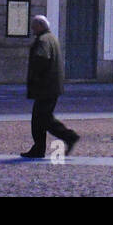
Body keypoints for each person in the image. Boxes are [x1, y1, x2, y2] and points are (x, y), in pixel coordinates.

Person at [21, 15, 79, 159]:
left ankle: (69, 136)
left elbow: (42, 58)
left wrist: (36, 76)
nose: (32, 29)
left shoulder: (43, 40)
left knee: (44, 119)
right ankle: (38, 148)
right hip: (50, 86)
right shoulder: (51, 38)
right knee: (40, 118)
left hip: (45, 87)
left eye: (34, 26)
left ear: (40, 26)